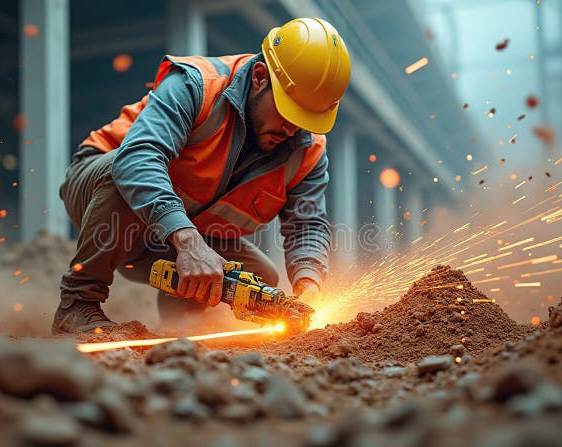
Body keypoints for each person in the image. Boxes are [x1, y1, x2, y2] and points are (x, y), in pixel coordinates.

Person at [53, 17, 351, 334]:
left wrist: (309, 283)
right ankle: (77, 304)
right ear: (261, 77)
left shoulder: (307, 150)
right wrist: (188, 242)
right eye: (288, 113)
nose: (293, 129)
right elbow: (138, 159)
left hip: (173, 228)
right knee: (128, 168)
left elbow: (308, 224)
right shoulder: (197, 85)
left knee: (259, 277)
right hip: (103, 192)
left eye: (306, 120)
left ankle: (182, 324)